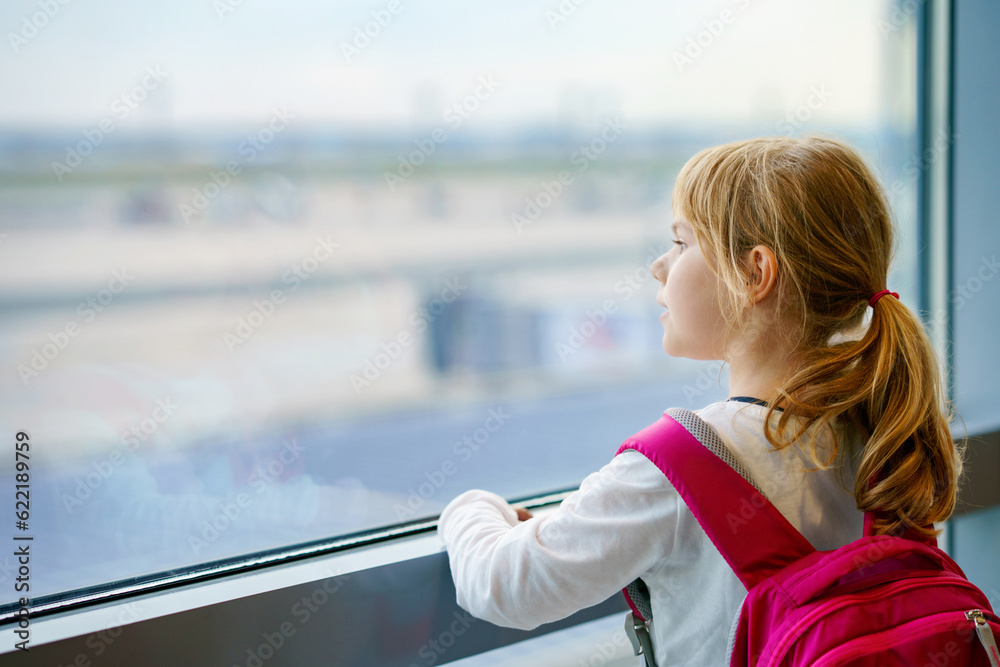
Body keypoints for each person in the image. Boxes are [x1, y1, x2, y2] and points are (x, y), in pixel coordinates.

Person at [437, 135, 963, 666]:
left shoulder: (681, 465)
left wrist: (471, 507)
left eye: (682, 244)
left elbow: (505, 585)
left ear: (755, 273)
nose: (659, 267)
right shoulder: (885, 435)